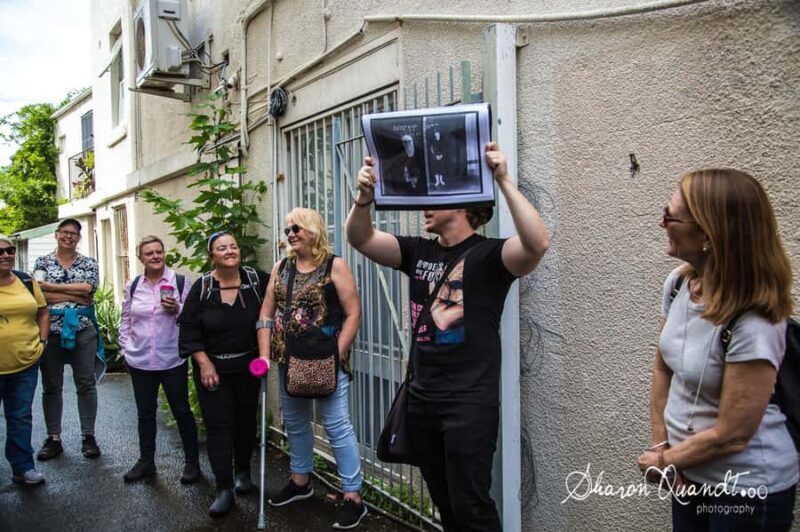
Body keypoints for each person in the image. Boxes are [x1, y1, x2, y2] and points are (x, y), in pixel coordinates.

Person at [346, 142, 550, 531]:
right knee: (444, 503)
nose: (424, 203)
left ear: (462, 204)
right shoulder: (417, 251)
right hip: (421, 402)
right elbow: (360, 238)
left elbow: (537, 243)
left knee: (471, 506)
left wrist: (503, 179)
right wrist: (363, 198)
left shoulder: (491, 257)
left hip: (468, 407)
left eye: (434, 197)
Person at [637, 168, 797, 531]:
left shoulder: (754, 320)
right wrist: (663, 446)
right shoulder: (679, 284)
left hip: (747, 489)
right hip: (689, 473)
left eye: (670, 216)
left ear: (709, 234)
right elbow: (664, 368)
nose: (661, 223)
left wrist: (666, 462)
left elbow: (733, 434)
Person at [257, 208, 366, 530]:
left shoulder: (335, 266)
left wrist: (336, 353)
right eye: (287, 228)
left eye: (296, 228)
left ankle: (352, 497)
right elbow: (266, 313)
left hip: (326, 361)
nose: (290, 233)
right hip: (290, 361)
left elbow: (353, 313)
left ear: (312, 230)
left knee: (336, 426)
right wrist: (264, 355)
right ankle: (300, 481)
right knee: (295, 422)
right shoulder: (281, 267)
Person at [178, 232, 268, 517]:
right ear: (212, 255)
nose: (229, 251)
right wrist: (204, 363)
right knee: (219, 427)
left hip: (248, 367)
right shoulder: (202, 288)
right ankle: (224, 488)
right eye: (221, 248)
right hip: (212, 369)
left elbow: (279, 305)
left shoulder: (257, 281)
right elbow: (189, 331)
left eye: (233, 246)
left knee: (245, 421)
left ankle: (242, 472)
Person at [119, 235, 199, 483]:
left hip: (171, 358)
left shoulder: (180, 282)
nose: (155, 256)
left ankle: (192, 463)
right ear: (140, 258)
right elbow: (125, 320)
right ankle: (146, 462)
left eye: (158, 251)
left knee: (181, 411)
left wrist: (178, 310)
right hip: (140, 360)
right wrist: (124, 349)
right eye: (149, 253)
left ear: (164, 254)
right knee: (145, 413)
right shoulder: (133, 286)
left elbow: (194, 318)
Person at [35, 218, 103, 461]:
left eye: (74, 233)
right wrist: (70, 293)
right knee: (51, 386)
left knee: (86, 383)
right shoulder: (42, 261)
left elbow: (88, 288)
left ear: (79, 238)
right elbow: (38, 292)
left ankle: (89, 436)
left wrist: (52, 289)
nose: (68, 237)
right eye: (64, 232)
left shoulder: (88, 262)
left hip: (82, 329)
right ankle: (53, 438)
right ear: (56, 234)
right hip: (49, 330)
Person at [0, 234, 48, 485]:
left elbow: (42, 312)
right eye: (0, 252)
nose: (6, 256)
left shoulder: (25, 280)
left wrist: (43, 341)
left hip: (26, 362)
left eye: (10, 251)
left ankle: (23, 467)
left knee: (20, 416)